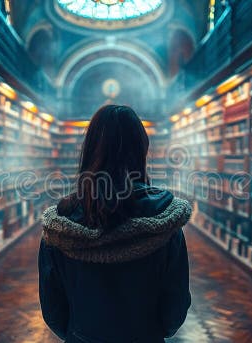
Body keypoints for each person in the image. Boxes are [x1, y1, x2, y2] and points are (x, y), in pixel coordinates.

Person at [39, 105, 192, 342]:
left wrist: (79, 333)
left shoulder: (61, 224)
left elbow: (53, 310)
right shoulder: (165, 218)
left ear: (89, 150)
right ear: (142, 149)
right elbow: (175, 308)